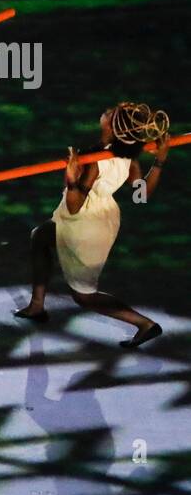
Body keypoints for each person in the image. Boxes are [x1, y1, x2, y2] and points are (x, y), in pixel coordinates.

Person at [15, 102, 170, 347]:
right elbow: (141, 195)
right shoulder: (128, 156)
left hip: (84, 225)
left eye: (112, 112)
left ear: (112, 126)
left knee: (84, 296)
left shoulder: (94, 161)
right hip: (100, 217)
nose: (108, 110)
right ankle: (37, 306)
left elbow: (75, 205)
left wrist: (71, 179)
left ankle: (145, 324)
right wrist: (159, 161)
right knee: (41, 236)